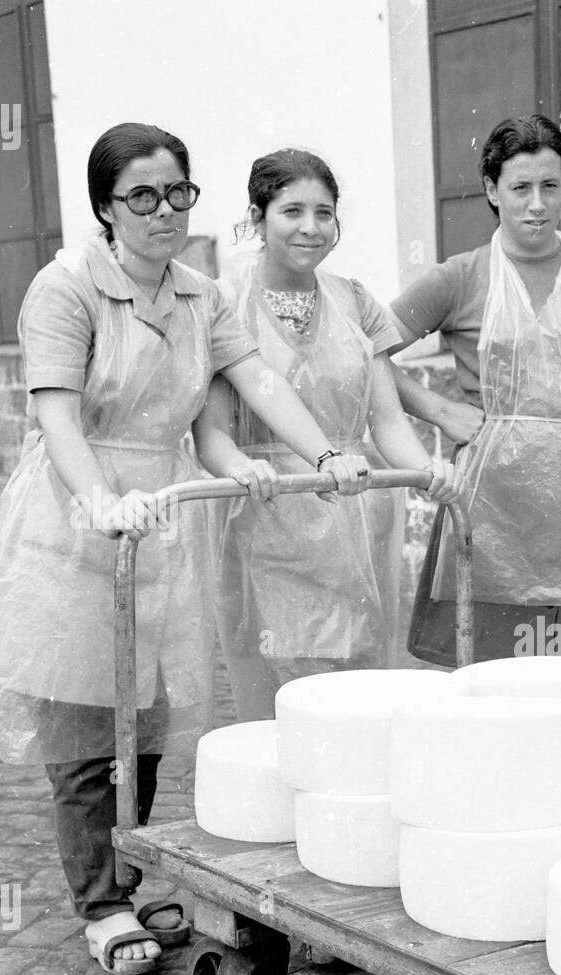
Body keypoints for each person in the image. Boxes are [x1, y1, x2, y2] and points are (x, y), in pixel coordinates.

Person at [0, 123, 371, 975]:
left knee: (143, 716)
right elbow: (57, 415)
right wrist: (100, 503)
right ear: (106, 209)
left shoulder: (201, 294)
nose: (162, 211)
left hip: (163, 508)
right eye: (141, 197)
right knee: (84, 721)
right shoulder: (64, 288)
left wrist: (319, 454)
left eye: (177, 193)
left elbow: (247, 389)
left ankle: (127, 868)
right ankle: (101, 904)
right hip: (77, 509)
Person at [388, 115, 561, 666]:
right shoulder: (460, 277)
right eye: (520, 188)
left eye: (551, 186)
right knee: (487, 673)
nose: (537, 204)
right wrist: (441, 411)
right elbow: (367, 351)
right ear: (492, 191)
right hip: (488, 507)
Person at [192, 149, 459, 720]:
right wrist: (244, 471)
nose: (310, 227)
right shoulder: (220, 303)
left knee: (357, 667)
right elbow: (212, 432)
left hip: (356, 513)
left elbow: (385, 418)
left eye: (324, 212)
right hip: (267, 514)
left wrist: (426, 470)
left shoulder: (354, 300)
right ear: (257, 217)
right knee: (289, 681)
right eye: (292, 210)